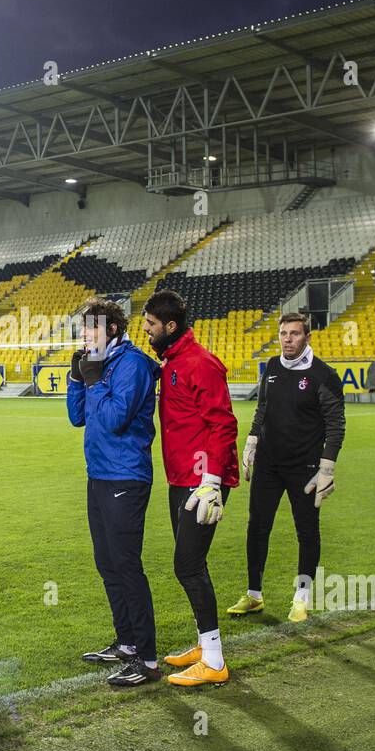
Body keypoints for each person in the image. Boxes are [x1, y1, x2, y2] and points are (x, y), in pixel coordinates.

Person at [142, 289, 238, 687]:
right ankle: (205, 644)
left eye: (149, 324)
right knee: (191, 565)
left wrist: (212, 482)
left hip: (201, 484)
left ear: (170, 325)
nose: (144, 331)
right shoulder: (174, 362)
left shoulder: (199, 364)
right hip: (182, 479)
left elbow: (224, 424)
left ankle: (214, 660)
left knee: (187, 565)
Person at [67, 297, 162, 687]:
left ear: (113, 330)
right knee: (107, 563)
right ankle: (126, 644)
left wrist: (93, 380)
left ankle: (149, 660)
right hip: (100, 474)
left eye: (91, 328)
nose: (85, 336)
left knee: (127, 565)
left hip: (126, 475)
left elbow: (115, 419)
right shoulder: (101, 364)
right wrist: (77, 379)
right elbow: (77, 418)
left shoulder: (133, 365)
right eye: (83, 329)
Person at [230, 311, 345, 623]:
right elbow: (263, 407)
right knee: (257, 526)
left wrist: (327, 469)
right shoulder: (273, 367)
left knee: (306, 530)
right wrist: (252, 441)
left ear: (307, 337)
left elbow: (336, 425)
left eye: (295, 334)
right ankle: (254, 595)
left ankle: (302, 597)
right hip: (268, 463)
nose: (288, 339)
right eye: (283, 333)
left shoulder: (324, 375)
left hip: (305, 466)